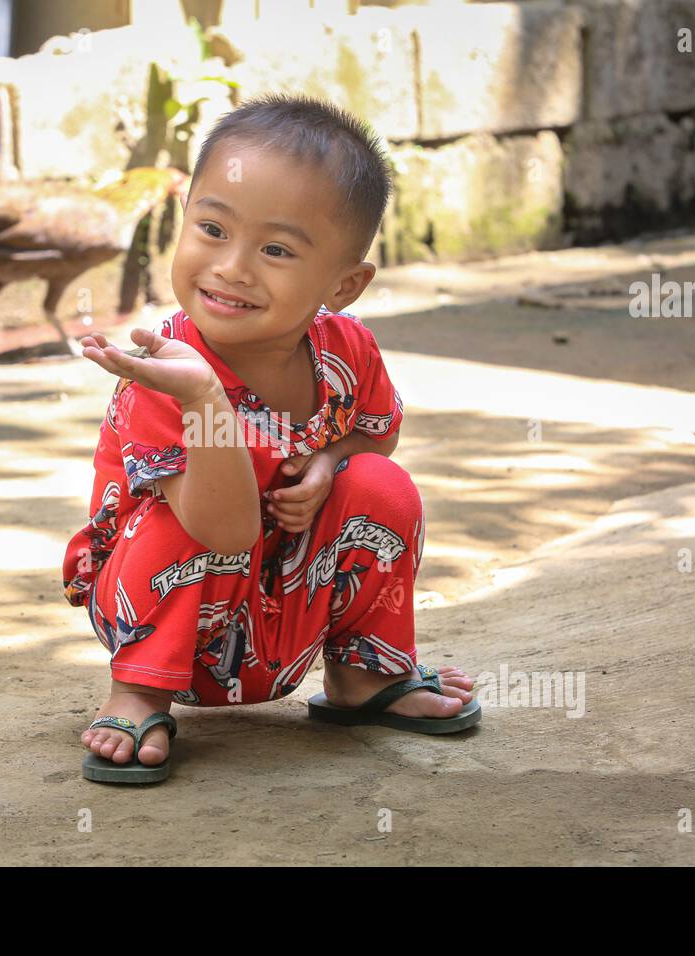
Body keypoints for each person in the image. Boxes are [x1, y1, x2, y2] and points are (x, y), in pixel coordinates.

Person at [61, 93, 479, 783]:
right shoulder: (165, 373)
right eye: (212, 229)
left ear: (344, 285)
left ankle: (364, 678)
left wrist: (328, 464)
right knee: (172, 520)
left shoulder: (346, 351)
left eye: (276, 248)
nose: (232, 266)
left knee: (381, 486)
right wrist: (204, 400)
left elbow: (378, 436)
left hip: (285, 604)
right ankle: (136, 694)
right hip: (169, 607)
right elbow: (218, 529)